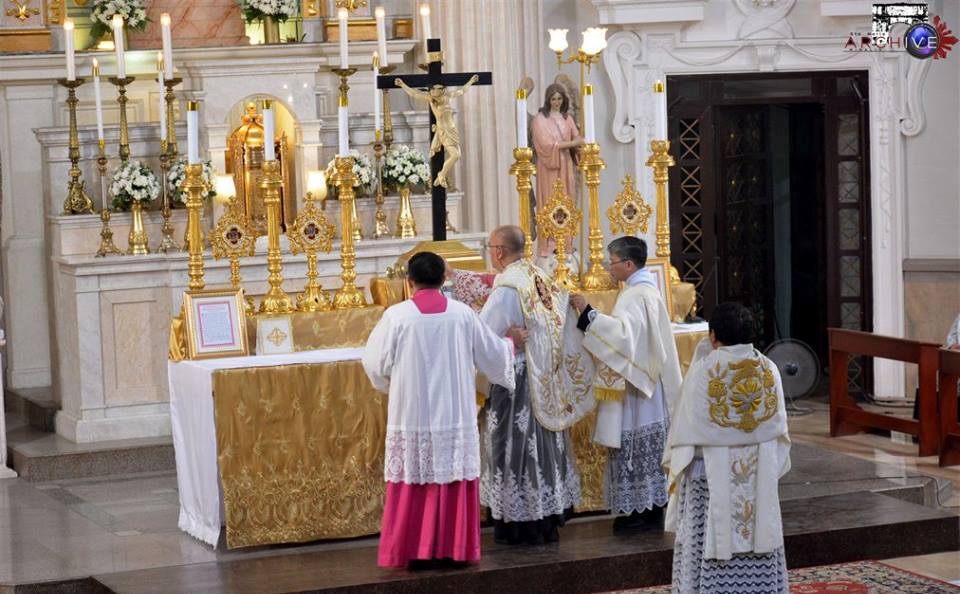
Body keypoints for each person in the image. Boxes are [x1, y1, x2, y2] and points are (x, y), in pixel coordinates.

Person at [362, 251, 527, 568]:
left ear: (410, 282)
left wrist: (391, 386)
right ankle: (455, 549)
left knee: (414, 475)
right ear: (443, 279)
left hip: (411, 413)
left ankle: (412, 550)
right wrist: (509, 342)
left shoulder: (397, 317)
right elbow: (492, 356)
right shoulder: (462, 314)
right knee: (452, 475)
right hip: (454, 414)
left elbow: (374, 363)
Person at [479, 225, 595, 545]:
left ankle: (521, 524)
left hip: (515, 379)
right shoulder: (538, 275)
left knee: (513, 446)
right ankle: (546, 518)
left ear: (500, 251)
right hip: (544, 377)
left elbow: (484, 337)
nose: (491, 253)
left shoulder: (507, 288)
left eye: (491, 248)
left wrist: (505, 338)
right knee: (540, 448)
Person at [664, 302, 790, 594]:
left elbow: (684, 438)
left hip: (709, 480)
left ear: (712, 336)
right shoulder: (769, 369)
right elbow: (779, 435)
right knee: (759, 529)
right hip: (758, 477)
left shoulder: (703, 372)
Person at [569, 237, 682, 533]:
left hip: (638, 388)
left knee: (636, 445)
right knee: (651, 449)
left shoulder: (635, 295)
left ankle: (639, 512)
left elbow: (622, 338)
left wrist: (587, 314)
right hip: (648, 383)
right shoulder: (644, 290)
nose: (609, 266)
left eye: (613, 260)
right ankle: (651, 508)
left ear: (629, 264)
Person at [532, 83, 583, 257]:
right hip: (549, 166)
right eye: (553, 99)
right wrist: (572, 143)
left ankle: (566, 241)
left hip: (566, 163)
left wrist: (579, 142)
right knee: (550, 200)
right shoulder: (540, 119)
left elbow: (576, 135)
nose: (556, 102)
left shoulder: (567, 118)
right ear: (548, 100)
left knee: (567, 200)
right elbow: (545, 145)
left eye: (559, 98)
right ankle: (549, 244)